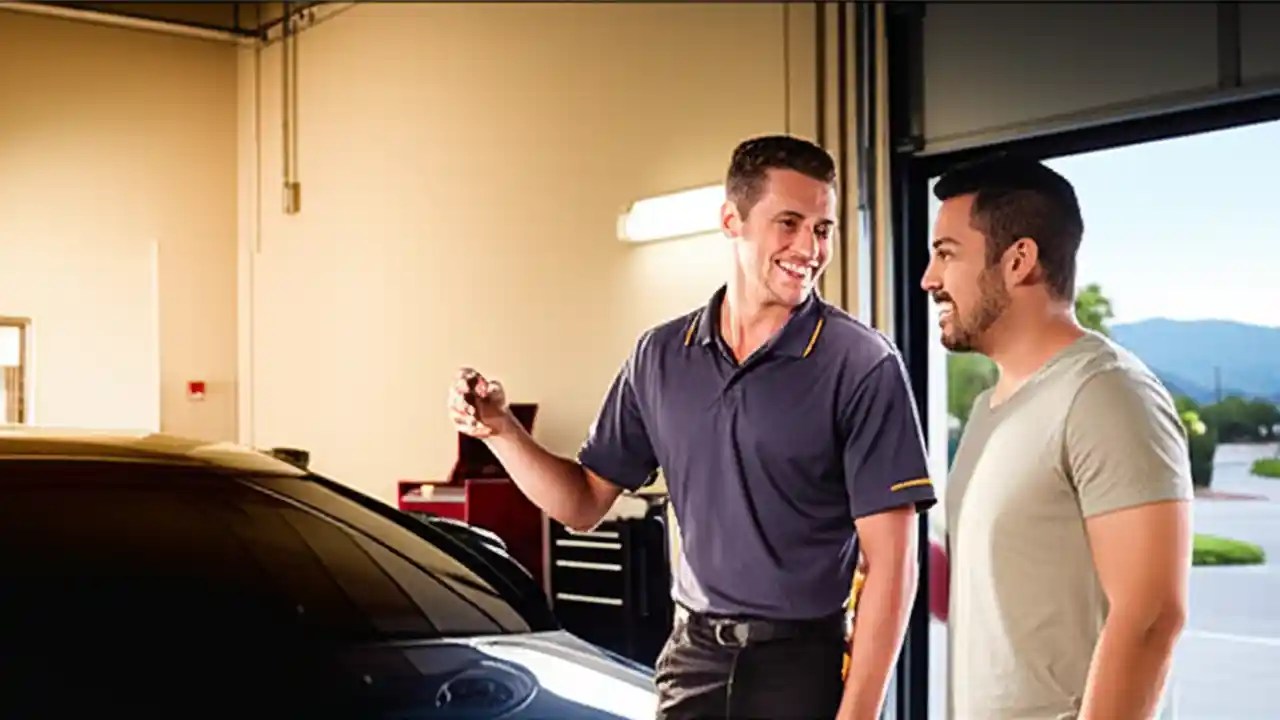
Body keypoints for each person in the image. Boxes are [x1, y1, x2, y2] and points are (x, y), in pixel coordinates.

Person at [447, 134, 936, 719]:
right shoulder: (660, 356)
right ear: (733, 219)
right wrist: (502, 430)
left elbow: (893, 564)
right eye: (789, 223)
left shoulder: (861, 364)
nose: (809, 247)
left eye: (822, 228)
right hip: (693, 661)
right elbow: (581, 504)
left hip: (803, 666)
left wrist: (856, 716)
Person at [921, 155, 1192, 719]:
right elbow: (996, 585)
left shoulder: (1106, 393)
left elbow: (1151, 616)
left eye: (946, 254)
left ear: (1018, 260)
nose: (929, 278)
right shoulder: (988, 408)